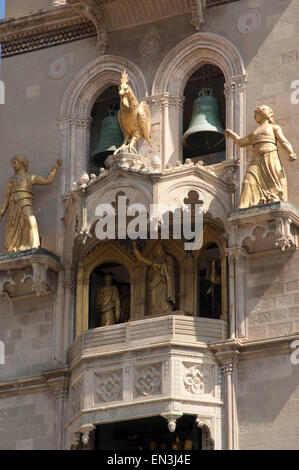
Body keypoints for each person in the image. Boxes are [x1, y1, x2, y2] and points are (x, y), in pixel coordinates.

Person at [225, 105, 296, 208]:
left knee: (274, 181)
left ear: (264, 114)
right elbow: (241, 142)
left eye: (257, 113)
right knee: (247, 181)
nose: (255, 116)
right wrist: (232, 135)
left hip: (270, 156)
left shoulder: (274, 127)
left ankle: (273, 198)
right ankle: (243, 207)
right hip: (257, 158)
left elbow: (283, 141)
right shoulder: (255, 132)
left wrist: (291, 152)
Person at [0, 155, 62, 252]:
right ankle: (14, 247)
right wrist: (2, 212)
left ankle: (33, 245)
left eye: (15, 162)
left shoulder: (31, 176)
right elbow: (6, 198)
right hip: (13, 205)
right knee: (11, 226)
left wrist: (56, 167)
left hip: (25, 202)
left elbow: (46, 180)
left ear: (22, 163)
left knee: (30, 221)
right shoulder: (11, 180)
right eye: (12, 163)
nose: (13, 165)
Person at [132, 241, 175, 315]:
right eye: (156, 249)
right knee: (154, 298)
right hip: (155, 282)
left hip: (163, 282)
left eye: (158, 248)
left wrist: (161, 267)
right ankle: (156, 312)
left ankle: (166, 309)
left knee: (163, 298)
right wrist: (139, 257)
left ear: (162, 249)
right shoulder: (155, 260)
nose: (157, 250)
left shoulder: (168, 258)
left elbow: (169, 270)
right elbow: (150, 264)